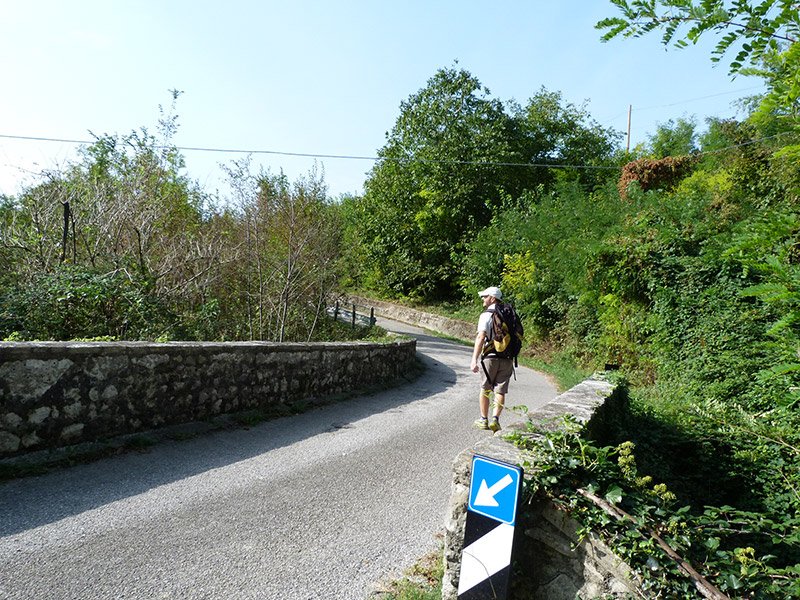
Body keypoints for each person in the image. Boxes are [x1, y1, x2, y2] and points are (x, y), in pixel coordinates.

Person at [470, 286, 514, 432]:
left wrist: (474, 359)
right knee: (500, 391)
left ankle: (484, 420)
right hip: (507, 357)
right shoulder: (509, 314)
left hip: (490, 357)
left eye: (485, 296)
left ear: (492, 298)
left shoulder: (486, 315)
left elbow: (481, 336)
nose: (483, 299)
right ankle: (495, 419)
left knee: (485, 388)